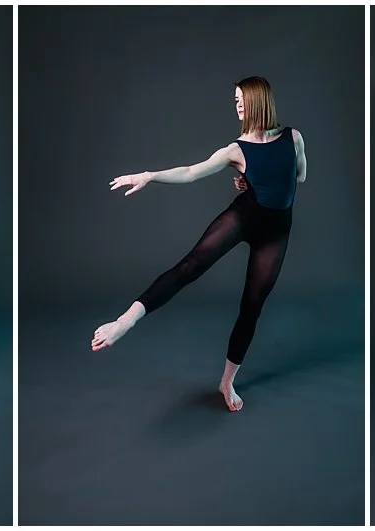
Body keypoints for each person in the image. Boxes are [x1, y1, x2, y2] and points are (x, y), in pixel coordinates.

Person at [93, 76, 307, 413]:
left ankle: (227, 381)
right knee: (190, 266)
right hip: (244, 216)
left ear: (257, 100)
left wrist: (257, 178)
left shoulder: (293, 137)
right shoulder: (236, 149)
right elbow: (192, 172)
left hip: (276, 233)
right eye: (234, 100)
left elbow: (299, 176)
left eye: (240, 99)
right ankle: (125, 321)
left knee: (252, 306)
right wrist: (149, 175)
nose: (236, 105)